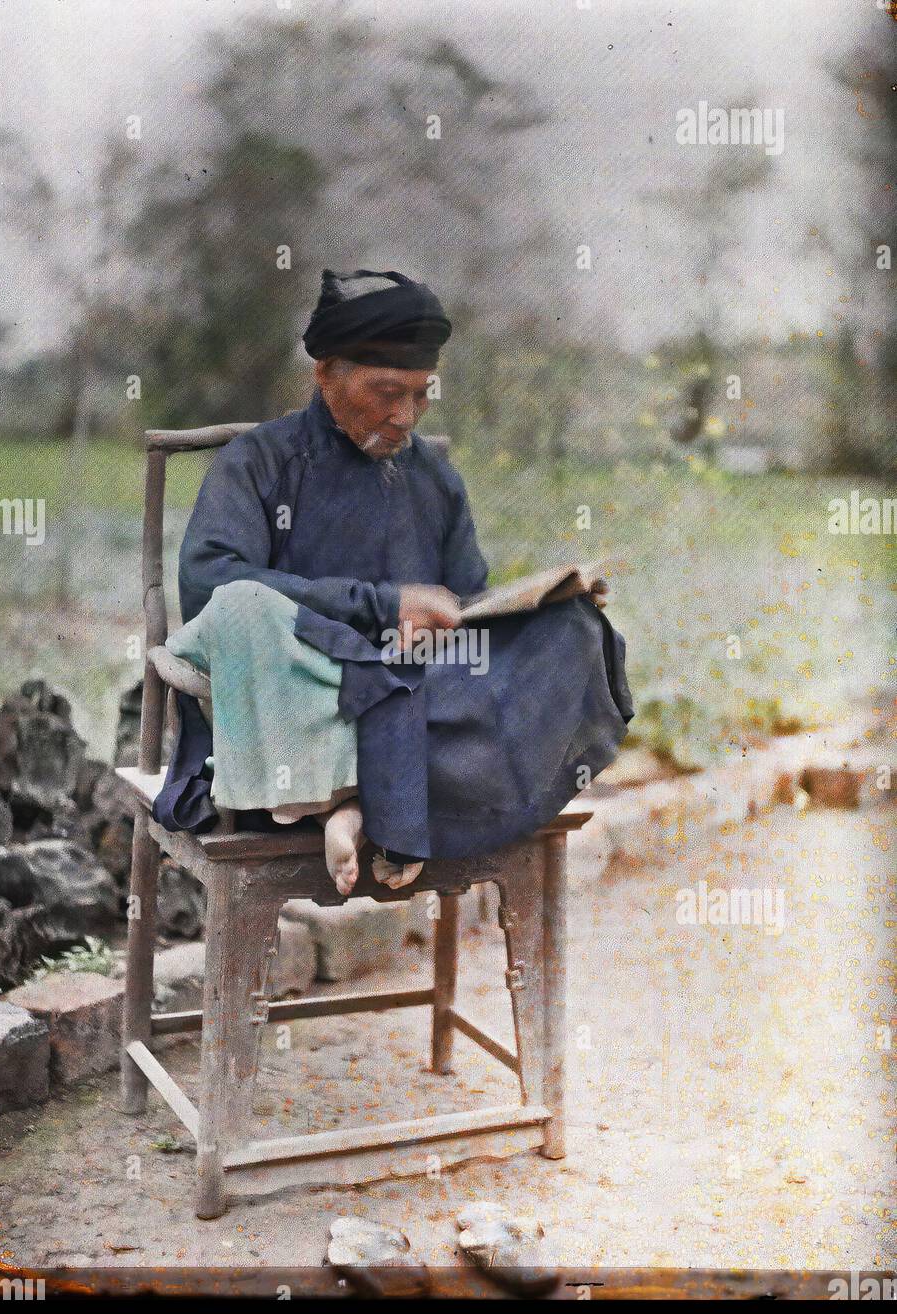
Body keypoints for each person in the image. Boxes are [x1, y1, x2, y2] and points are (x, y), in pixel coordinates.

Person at [152, 268, 634, 895]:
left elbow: (465, 608)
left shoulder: (433, 477)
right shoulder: (258, 463)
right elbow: (210, 584)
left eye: (421, 393)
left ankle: (353, 804)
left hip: (416, 686)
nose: (405, 415)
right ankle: (380, 795)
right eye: (385, 391)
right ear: (324, 372)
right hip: (307, 690)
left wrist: (536, 607)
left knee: (574, 630)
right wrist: (381, 603)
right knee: (243, 607)